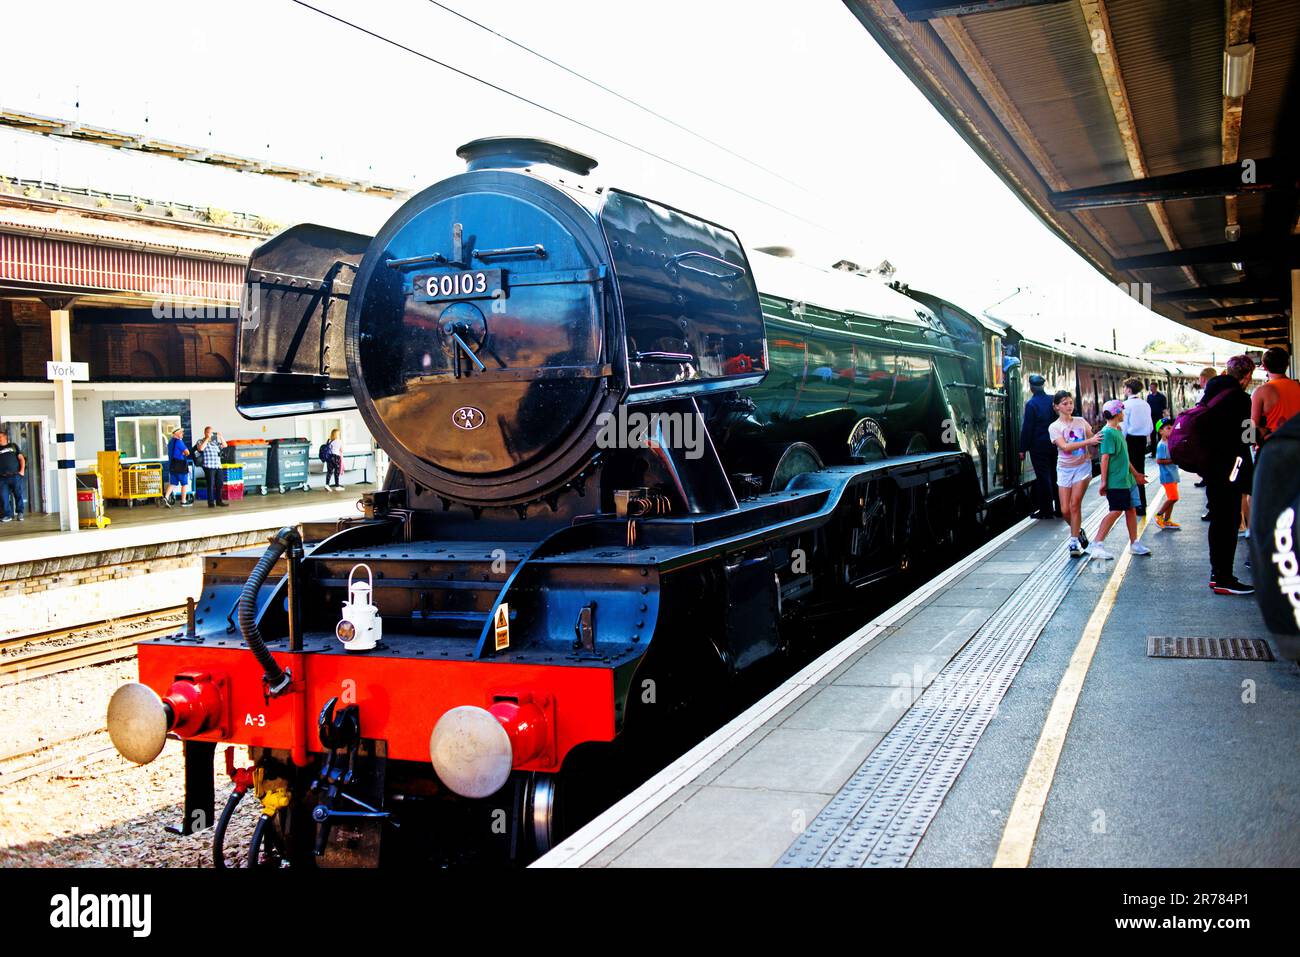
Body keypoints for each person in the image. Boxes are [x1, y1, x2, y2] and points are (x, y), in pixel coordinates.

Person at [1198, 355, 1255, 594]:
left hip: (1211, 466)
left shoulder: (1210, 393)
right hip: (1230, 468)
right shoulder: (1242, 400)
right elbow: (1247, 438)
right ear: (1247, 376)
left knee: (1218, 520)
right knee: (1229, 521)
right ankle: (1224, 578)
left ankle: (1216, 573)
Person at [1088, 400, 1151, 560]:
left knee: (1131, 510)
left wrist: (1136, 475)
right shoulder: (1108, 433)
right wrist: (1103, 481)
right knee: (1116, 510)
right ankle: (1097, 543)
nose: (1124, 414)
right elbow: (1105, 458)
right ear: (1117, 413)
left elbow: (1124, 457)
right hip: (1116, 480)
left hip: (1127, 480)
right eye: (1122, 411)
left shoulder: (1118, 430)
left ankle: (1134, 543)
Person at [1048, 390, 1100, 556]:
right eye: (1064, 403)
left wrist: (1102, 436)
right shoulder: (1054, 427)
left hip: (1082, 467)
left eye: (1070, 402)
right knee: (1064, 510)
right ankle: (1078, 531)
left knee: (1074, 504)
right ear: (1056, 407)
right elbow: (1064, 447)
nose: (1069, 406)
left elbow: (1094, 439)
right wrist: (1089, 441)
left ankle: (1073, 542)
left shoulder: (1080, 421)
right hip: (1064, 469)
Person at [1018, 373, 1060, 519]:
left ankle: (1047, 510)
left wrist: (1022, 449)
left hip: (1038, 447)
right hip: (1055, 444)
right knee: (1056, 476)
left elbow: (1027, 428)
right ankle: (1060, 509)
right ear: (1043, 386)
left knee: (1043, 478)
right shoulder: (1052, 401)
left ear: (1031, 388)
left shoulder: (1031, 404)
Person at [1250, 346, 1300, 445]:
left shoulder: (1260, 391)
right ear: (1287, 365)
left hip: (1273, 448)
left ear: (1264, 367)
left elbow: (1253, 431)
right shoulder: (1298, 386)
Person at [1121, 378, 1152, 516]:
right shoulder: (1145, 404)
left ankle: (1133, 503)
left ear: (1128, 390)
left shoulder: (1125, 405)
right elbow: (1150, 426)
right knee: (1140, 471)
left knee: (1130, 472)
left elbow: (1124, 426)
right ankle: (1142, 504)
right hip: (1141, 441)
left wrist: (1121, 441)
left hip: (1130, 440)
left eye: (1124, 388)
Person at [1191, 365, 1218, 489]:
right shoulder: (1222, 392)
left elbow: (1198, 414)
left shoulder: (1203, 393)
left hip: (1205, 436)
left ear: (1203, 379)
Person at [1153, 419, 1180, 529]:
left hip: (1173, 474)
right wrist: (1174, 460)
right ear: (1160, 431)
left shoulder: (1169, 443)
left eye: (1171, 427)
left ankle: (1167, 520)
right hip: (1167, 475)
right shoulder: (1162, 445)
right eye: (1168, 428)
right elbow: (1159, 461)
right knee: (1174, 497)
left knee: (1171, 499)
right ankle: (1159, 515)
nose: (1171, 430)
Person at [194, 426, 228, 508]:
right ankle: (211, 502)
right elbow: (200, 448)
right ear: (205, 433)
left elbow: (225, 445)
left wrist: (221, 437)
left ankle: (219, 501)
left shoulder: (215, 442)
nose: (211, 434)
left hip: (218, 466)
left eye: (212, 432)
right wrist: (207, 439)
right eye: (209, 432)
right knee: (211, 484)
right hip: (209, 466)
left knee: (219, 484)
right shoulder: (200, 441)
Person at [163, 426, 193, 508]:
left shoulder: (170, 442)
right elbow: (187, 452)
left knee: (172, 483)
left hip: (172, 466)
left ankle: (166, 497)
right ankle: (183, 501)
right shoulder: (179, 442)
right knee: (184, 484)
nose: (182, 433)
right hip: (180, 466)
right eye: (181, 432)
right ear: (176, 433)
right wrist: (184, 453)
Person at [0, 430, 26, 523]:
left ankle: (20, 513)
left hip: (15, 476)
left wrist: (22, 470)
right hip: (2, 478)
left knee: (18, 495)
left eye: (0, 437)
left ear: (5, 437)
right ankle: (7, 515)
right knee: (3, 497)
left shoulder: (13, 446)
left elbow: (21, 458)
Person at [1146, 383, 1167, 454]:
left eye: (1152, 387)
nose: (1151, 389)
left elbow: (1164, 408)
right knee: (1152, 434)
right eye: (1150, 387)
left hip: (1159, 418)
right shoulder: (1149, 397)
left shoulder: (1162, 397)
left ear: (1156, 387)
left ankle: (1161, 451)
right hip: (1152, 418)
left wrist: (1166, 417)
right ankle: (1153, 452)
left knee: (1160, 433)